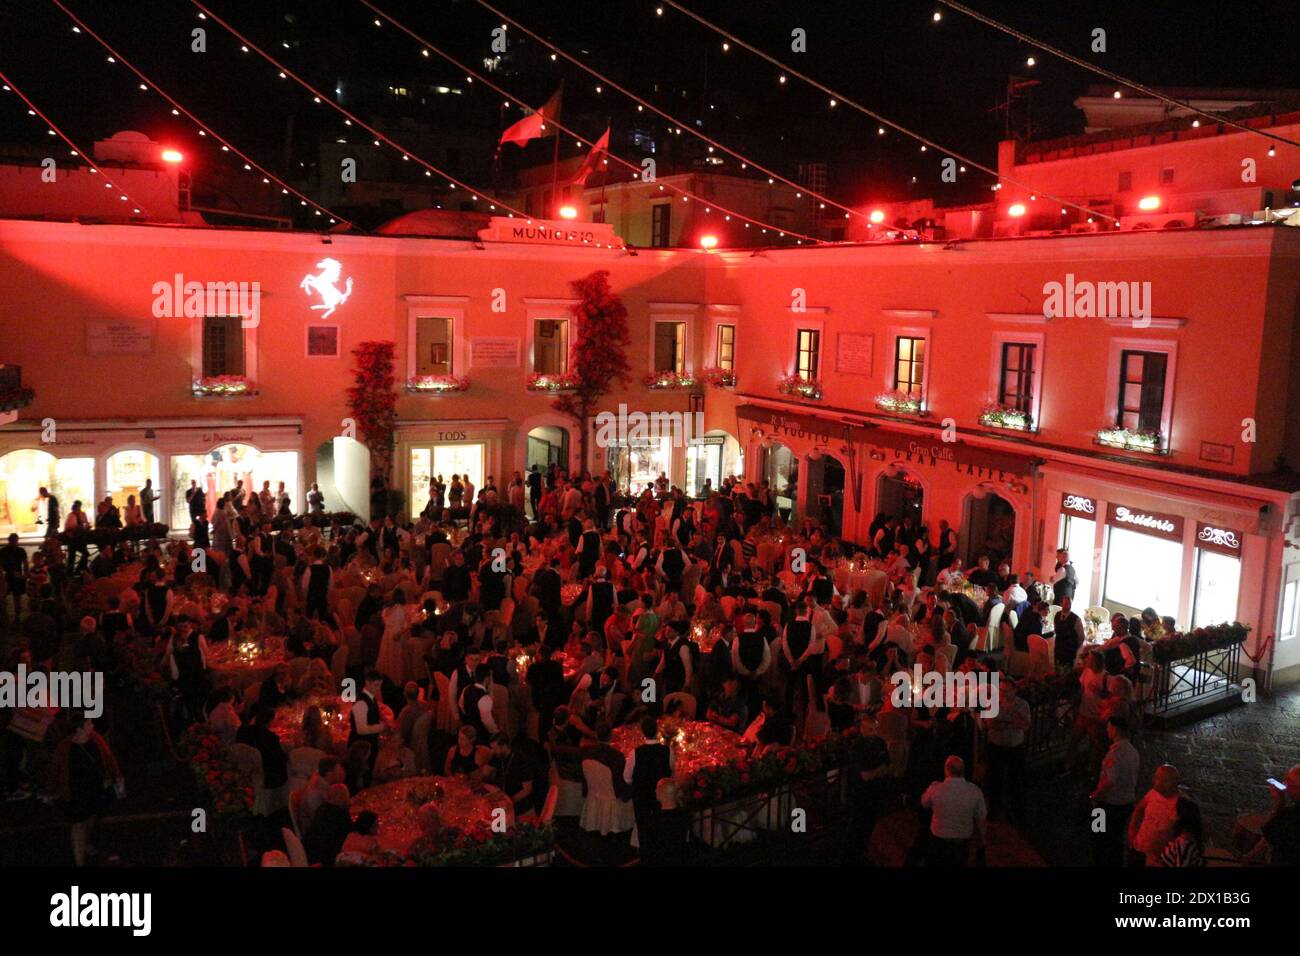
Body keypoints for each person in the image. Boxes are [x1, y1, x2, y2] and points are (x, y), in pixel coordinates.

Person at [50, 714, 123, 866]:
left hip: (95, 788)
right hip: (75, 790)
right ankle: (79, 862)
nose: (92, 726)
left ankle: (86, 842)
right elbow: (56, 769)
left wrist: (116, 776)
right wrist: (52, 790)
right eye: (89, 723)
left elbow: (108, 757)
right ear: (79, 728)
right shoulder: (65, 747)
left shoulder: (96, 739)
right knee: (78, 824)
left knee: (90, 818)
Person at [1089, 716, 1140, 866]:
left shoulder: (1115, 754)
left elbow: (1109, 782)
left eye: (1109, 727)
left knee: (1098, 836)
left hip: (1107, 805)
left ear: (1115, 730)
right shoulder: (1133, 752)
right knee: (1115, 838)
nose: (1107, 730)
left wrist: (1094, 796)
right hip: (1126, 803)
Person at [919, 755, 987, 867]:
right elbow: (981, 819)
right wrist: (981, 843)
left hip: (938, 840)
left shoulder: (935, 788)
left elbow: (923, 803)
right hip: (962, 843)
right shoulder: (975, 791)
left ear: (946, 769)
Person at [625, 716, 674, 864]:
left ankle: (645, 856)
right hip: (661, 797)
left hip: (642, 797)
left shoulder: (635, 753)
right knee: (661, 824)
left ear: (642, 732)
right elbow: (672, 772)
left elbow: (627, 778)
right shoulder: (667, 751)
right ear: (657, 731)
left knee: (643, 825)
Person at [981, 678, 1031, 825]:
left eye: (1005, 690)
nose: (1002, 693)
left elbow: (1025, 724)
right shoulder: (993, 702)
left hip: (1015, 748)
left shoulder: (1022, 704)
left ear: (1014, 690)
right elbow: (990, 724)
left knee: (1016, 780)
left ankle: (1016, 811)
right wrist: (1011, 722)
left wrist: (1003, 723)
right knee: (995, 779)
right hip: (996, 747)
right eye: (1001, 690)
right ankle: (995, 809)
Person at [843, 714, 891, 865]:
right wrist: (879, 771)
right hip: (860, 794)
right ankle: (852, 856)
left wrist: (876, 772)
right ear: (862, 729)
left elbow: (888, 765)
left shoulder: (880, 742)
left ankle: (861, 852)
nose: (874, 733)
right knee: (858, 827)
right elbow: (865, 776)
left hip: (875, 792)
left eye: (875, 729)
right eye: (870, 730)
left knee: (869, 824)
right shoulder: (857, 747)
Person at [1128, 763, 1182, 866]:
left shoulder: (1181, 806)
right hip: (1138, 850)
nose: (1154, 781)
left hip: (1158, 861)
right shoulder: (1153, 793)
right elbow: (1139, 809)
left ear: (1169, 782)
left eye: (1158, 778)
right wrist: (1132, 833)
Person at [348, 672, 385, 773]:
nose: (378, 689)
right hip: (360, 749)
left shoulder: (371, 699)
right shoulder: (361, 702)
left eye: (379, 685)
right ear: (367, 683)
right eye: (376, 685)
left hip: (367, 746)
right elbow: (361, 729)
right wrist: (381, 727)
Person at [1157, 797, 1205, 867]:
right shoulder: (1185, 839)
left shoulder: (1184, 842)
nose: (1170, 813)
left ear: (1179, 816)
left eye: (1173, 810)